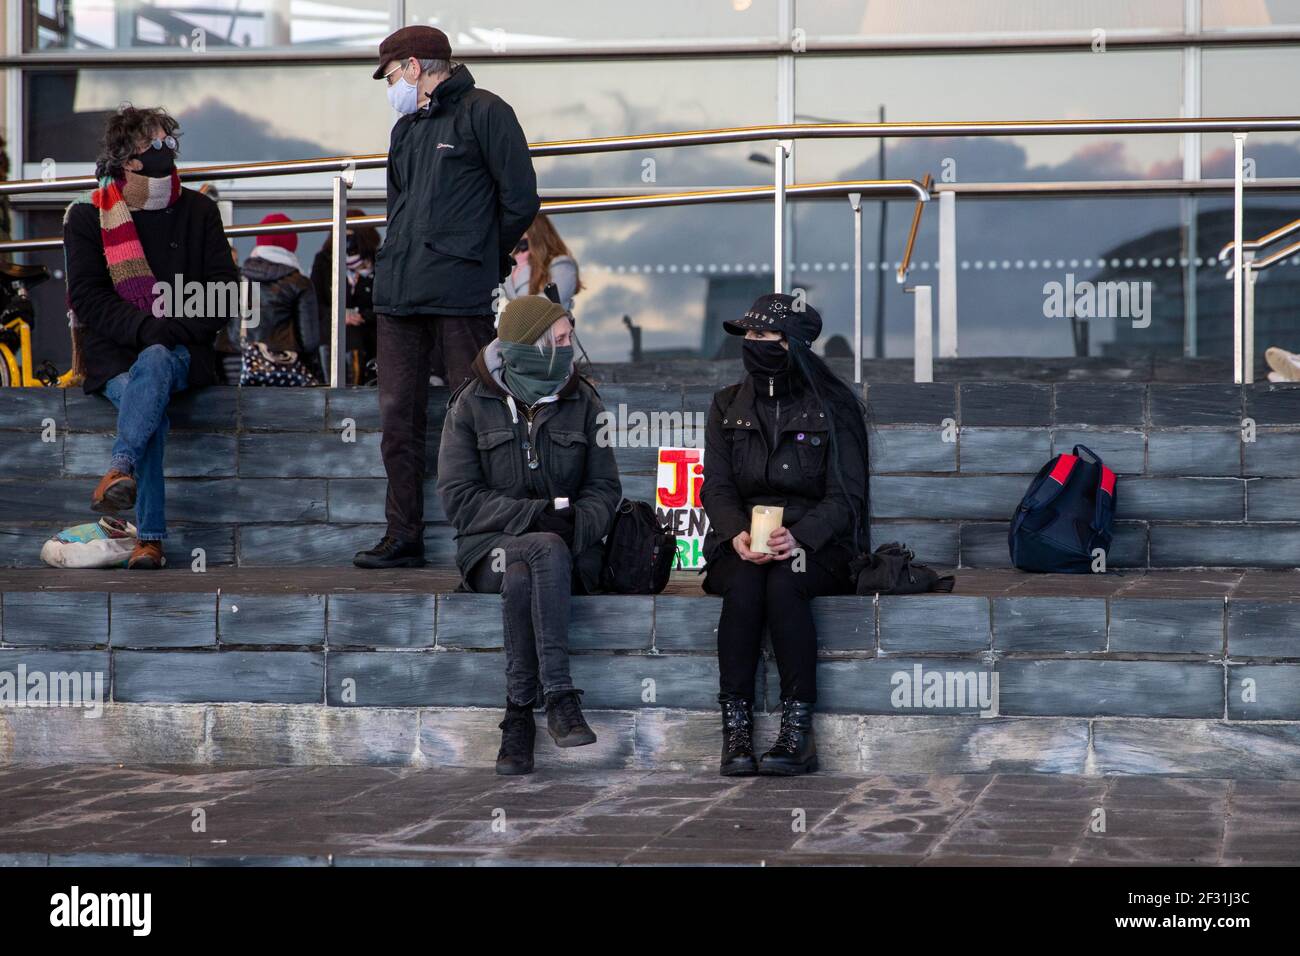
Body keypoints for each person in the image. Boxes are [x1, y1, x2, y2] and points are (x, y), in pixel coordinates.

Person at [355, 25, 541, 570]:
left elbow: (520, 198)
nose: (390, 86)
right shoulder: (405, 128)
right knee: (397, 421)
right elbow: (399, 211)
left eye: (390, 75)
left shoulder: (487, 111)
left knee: (481, 416)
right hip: (398, 298)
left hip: (460, 295)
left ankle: (484, 535)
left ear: (414, 66)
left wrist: (483, 255)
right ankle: (402, 534)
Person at [437, 295, 621, 775]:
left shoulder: (584, 400)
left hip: (566, 553)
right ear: (527, 348)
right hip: (487, 550)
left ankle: (518, 713)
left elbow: (605, 488)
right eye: (558, 341)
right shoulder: (471, 404)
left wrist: (576, 524)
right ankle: (558, 695)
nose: (569, 349)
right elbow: (458, 498)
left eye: (568, 338)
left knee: (527, 571)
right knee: (536, 549)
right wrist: (534, 515)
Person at [699, 293, 870, 776]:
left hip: (817, 545)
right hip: (743, 542)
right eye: (748, 335)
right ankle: (736, 727)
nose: (752, 344)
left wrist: (799, 538)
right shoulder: (726, 405)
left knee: (783, 581)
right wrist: (734, 533)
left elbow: (847, 496)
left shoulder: (834, 407)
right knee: (746, 582)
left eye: (763, 335)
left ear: (791, 344)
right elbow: (716, 487)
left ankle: (798, 730)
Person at [62, 105, 238, 569]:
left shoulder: (199, 210)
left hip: (183, 349)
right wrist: (144, 328)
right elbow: (87, 297)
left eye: (168, 142)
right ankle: (149, 540)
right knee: (152, 407)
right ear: (126, 158)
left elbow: (222, 291)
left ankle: (120, 470)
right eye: (152, 144)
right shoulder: (87, 216)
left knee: (159, 358)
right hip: (115, 356)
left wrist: (167, 330)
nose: (165, 151)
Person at [239, 213, 319, 373]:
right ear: (292, 243)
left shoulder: (235, 277)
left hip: (235, 363)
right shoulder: (299, 283)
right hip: (280, 365)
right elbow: (309, 341)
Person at [310, 208, 380, 385]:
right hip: (331, 334)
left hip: (369, 336)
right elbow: (316, 300)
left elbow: (384, 302)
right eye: (343, 234)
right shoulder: (324, 261)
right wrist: (340, 315)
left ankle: (352, 389)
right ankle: (336, 389)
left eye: (352, 234)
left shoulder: (378, 261)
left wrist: (361, 316)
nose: (347, 241)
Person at [501, 212, 584, 312]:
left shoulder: (562, 265)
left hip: (546, 326)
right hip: (517, 326)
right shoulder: (510, 265)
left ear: (535, 230)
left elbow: (552, 304)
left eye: (520, 228)